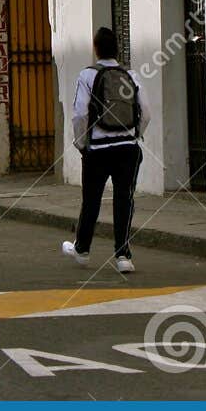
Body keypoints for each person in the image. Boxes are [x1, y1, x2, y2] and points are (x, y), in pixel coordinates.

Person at [61, 27, 148, 275]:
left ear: (96, 48)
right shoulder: (130, 75)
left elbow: (79, 114)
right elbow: (147, 111)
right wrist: (135, 134)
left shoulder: (87, 75)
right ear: (117, 48)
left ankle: (82, 249)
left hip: (98, 149)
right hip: (127, 149)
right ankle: (123, 256)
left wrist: (81, 143)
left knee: (91, 199)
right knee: (124, 200)